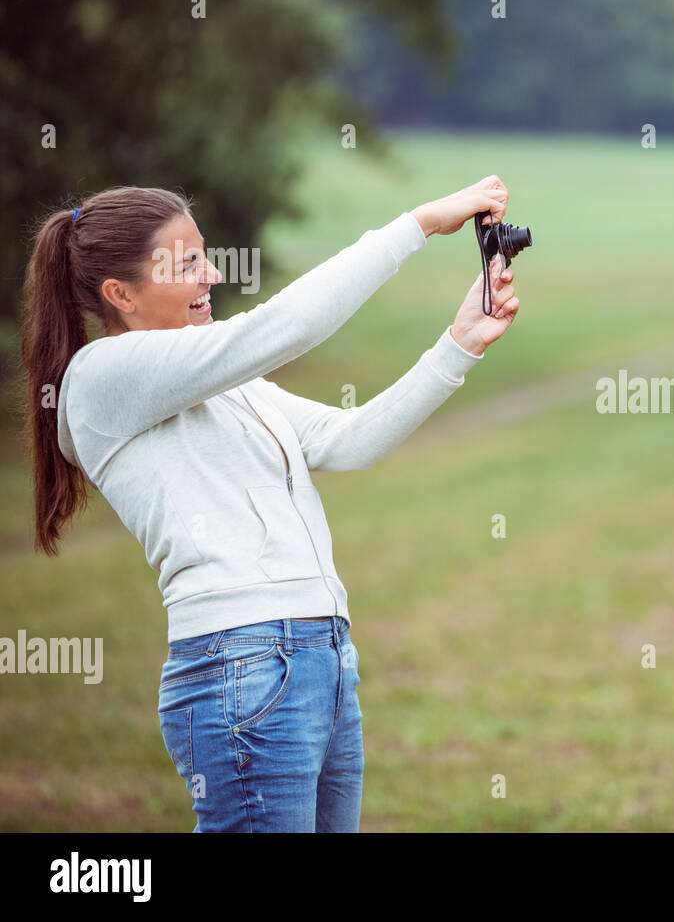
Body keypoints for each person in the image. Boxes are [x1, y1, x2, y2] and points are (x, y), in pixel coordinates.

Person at [20, 176, 520, 831]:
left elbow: (348, 441)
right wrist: (418, 224)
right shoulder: (101, 378)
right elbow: (286, 327)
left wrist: (459, 343)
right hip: (244, 662)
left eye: (206, 255)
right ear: (121, 294)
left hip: (320, 657)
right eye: (187, 263)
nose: (212, 274)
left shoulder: (221, 379)